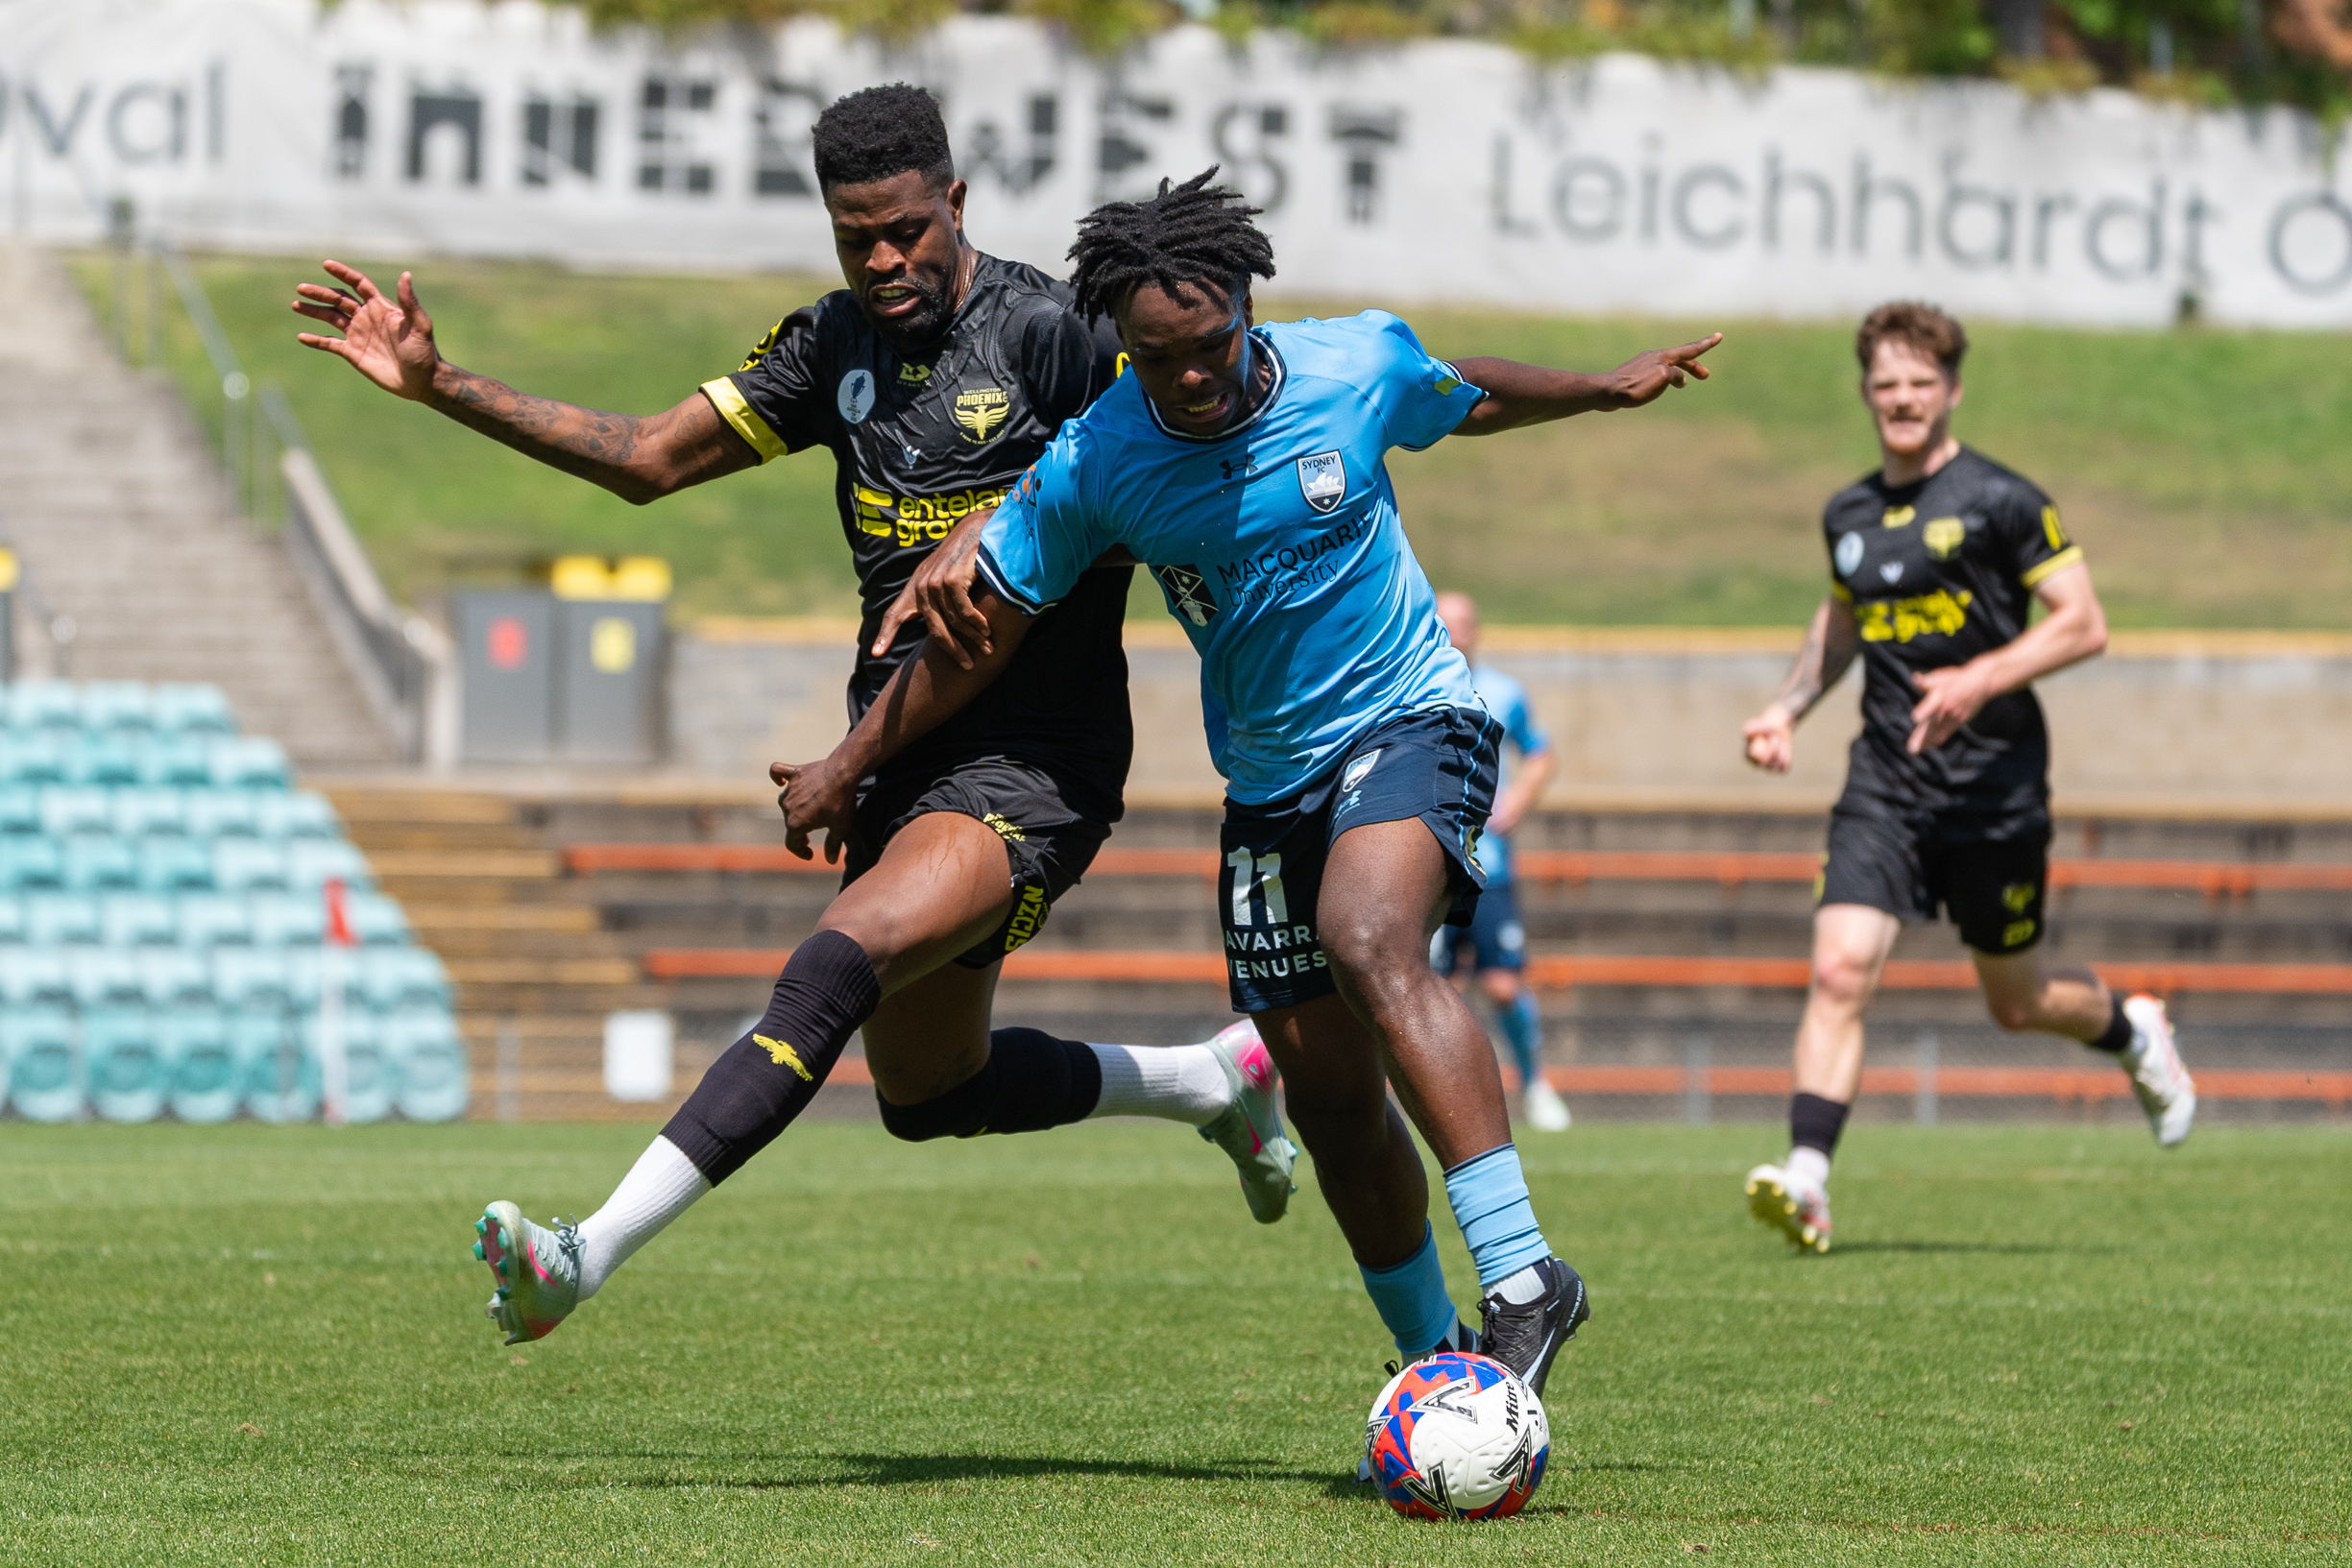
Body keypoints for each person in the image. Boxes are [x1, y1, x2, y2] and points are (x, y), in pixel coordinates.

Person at [292, 88, 1297, 1346]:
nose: (882, 261)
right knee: (930, 1093)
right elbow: (648, 456)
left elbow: (1177, 440)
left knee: (834, 960)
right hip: (902, 760)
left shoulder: (1049, 333)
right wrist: (441, 385)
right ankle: (1211, 1080)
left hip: (1038, 765)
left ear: (957, 206)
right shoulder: (833, 348)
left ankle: (579, 1254)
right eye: (853, 237)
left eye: (906, 231)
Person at [775, 170, 1720, 1395]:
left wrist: (1600, 385)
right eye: (1157, 360)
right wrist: (850, 763)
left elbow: (1459, 391)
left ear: (1243, 304)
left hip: (1410, 713)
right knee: (1328, 1101)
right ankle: (1439, 1369)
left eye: (1209, 347)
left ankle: (1528, 1275)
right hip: (1268, 791)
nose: (1189, 380)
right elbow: (979, 632)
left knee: (1370, 935)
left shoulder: (1352, 365)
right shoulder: (1098, 463)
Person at [1736, 301, 2195, 1256]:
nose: (1900, 401)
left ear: (1949, 391)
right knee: (1837, 968)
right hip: (1885, 784)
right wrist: (1784, 708)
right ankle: (1809, 1179)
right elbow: (1843, 626)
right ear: (1866, 394)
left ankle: (2131, 1027)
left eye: (1918, 384)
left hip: (1994, 787)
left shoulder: (2001, 499)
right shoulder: (1848, 514)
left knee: (2015, 1001)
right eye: (1884, 386)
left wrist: (1980, 677)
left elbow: (2082, 621)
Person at [1427, 592, 1568, 1132]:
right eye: (1445, 622)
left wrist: (1520, 798)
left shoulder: (1505, 693)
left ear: (1477, 630)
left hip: (1491, 867)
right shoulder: (1411, 688)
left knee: (1504, 985)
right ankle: (1444, 1098)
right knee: (1433, 990)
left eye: (1463, 622)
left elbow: (1540, 751)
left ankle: (1535, 1083)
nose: (1455, 631)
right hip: (1432, 867)